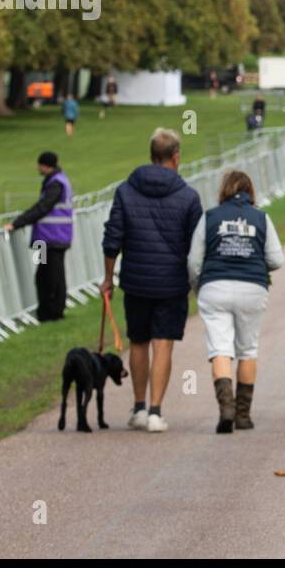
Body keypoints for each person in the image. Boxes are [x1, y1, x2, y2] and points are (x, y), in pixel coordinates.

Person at [101, 129, 203, 433]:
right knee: (163, 344)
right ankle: (157, 410)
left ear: (151, 154)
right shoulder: (188, 196)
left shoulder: (126, 190)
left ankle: (139, 407)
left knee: (139, 341)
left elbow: (112, 239)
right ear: (175, 157)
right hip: (171, 282)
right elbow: (196, 246)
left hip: (135, 279)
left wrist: (108, 278)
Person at [188, 170, 284, 433]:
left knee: (220, 349)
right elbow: (276, 259)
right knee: (247, 350)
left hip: (214, 286)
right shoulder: (261, 217)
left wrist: (199, 286)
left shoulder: (210, 217)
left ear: (224, 191)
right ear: (250, 191)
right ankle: (243, 415)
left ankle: (226, 408)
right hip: (252, 287)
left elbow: (194, 261)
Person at [5, 152, 73, 322]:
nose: (37, 168)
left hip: (52, 239)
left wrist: (17, 223)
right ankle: (45, 311)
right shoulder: (54, 181)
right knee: (42, 275)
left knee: (52, 276)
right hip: (43, 239)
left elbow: (42, 208)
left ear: (45, 165)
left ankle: (53, 312)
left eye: (39, 164)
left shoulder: (55, 184)